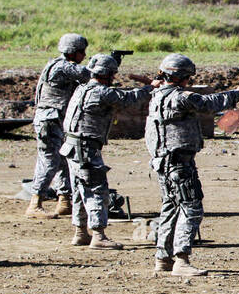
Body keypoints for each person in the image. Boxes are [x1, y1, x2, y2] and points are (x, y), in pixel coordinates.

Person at [145, 54, 239, 278]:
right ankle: (181, 260)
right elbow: (208, 104)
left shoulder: (157, 95)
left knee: (170, 207)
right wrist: (238, 93)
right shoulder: (179, 97)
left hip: (165, 161)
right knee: (192, 208)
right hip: (178, 163)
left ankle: (163, 257)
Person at [59, 54, 155, 249]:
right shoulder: (101, 92)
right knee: (96, 190)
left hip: (72, 146)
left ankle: (80, 232)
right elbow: (128, 98)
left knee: (79, 191)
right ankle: (98, 235)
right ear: (109, 74)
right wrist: (151, 88)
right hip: (86, 148)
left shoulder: (81, 89)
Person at [26, 33, 92, 218]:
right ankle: (35, 202)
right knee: (49, 160)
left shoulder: (58, 64)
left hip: (54, 120)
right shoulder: (63, 67)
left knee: (62, 158)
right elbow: (90, 75)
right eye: (82, 52)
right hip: (50, 121)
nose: (84, 56)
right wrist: (107, 63)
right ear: (73, 52)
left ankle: (64, 200)